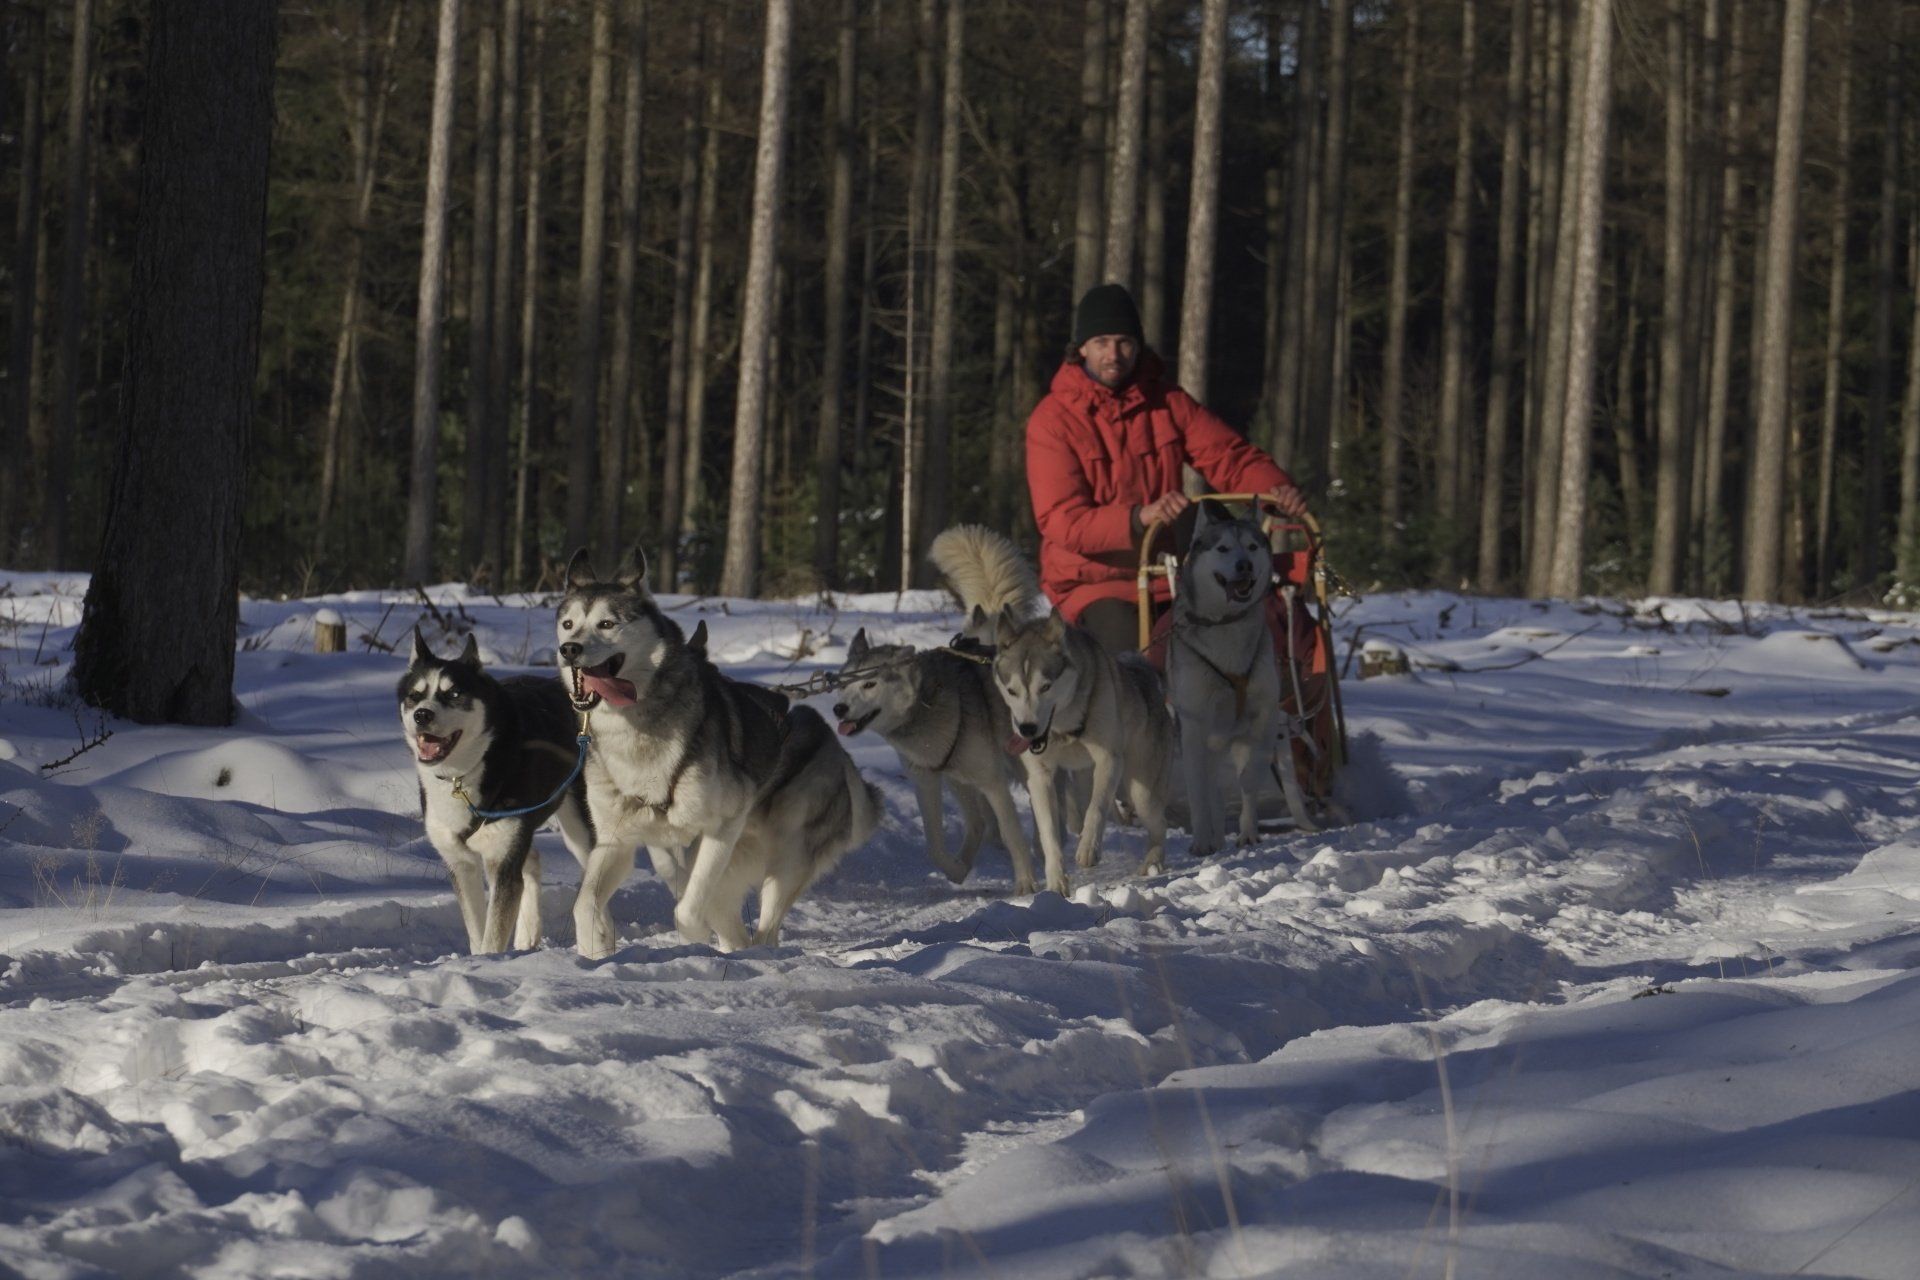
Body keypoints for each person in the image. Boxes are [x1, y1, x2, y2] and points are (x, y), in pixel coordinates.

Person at [1026, 282, 1309, 653]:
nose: (1114, 354)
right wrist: (1139, 517)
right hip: (1094, 582)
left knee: (1250, 631)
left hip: (1172, 573)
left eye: (1125, 341)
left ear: (1139, 345)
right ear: (1081, 348)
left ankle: (1270, 706)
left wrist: (1275, 490)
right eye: (1102, 342)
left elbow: (1227, 456)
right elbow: (1062, 520)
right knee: (1133, 662)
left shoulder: (1167, 402)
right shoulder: (1053, 420)